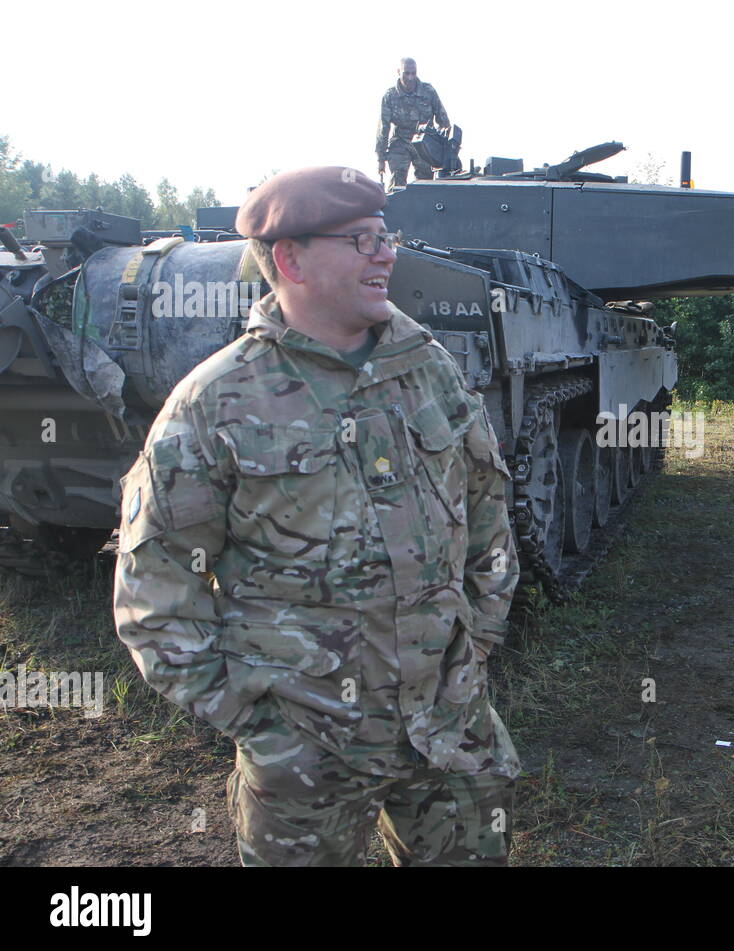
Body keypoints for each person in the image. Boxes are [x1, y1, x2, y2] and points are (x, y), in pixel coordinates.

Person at [114, 166, 520, 866]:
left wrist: (478, 640)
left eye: (385, 236)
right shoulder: (214, 403)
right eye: (360, 240)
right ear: (289, 259)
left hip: (449, 724)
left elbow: (486, 506)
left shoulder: (429, 367)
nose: (386, 253)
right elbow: (155, 590)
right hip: (308, 750)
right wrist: (255, 723)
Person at [377, 58, 451, 188]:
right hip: (400, 141)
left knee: (425, 185)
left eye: (413, 73)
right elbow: (383, 128)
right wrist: (380, 158)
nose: (410, 78)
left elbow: (444, 123)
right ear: (398, 72)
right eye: (406, 73)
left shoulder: (428, 92)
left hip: (424, 143)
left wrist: (441, 150)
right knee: (397, 182)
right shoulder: (390, 96)